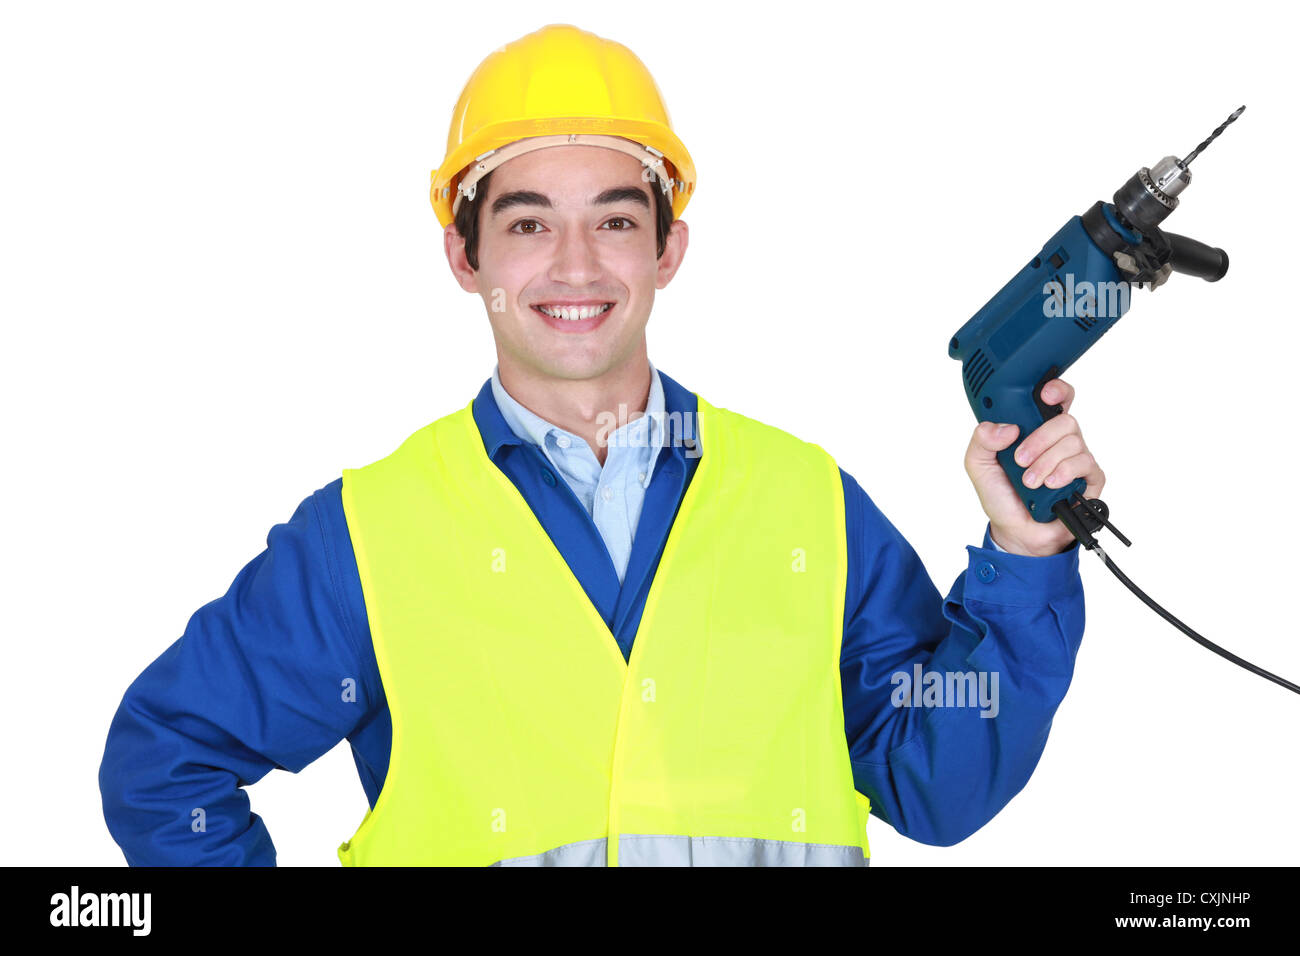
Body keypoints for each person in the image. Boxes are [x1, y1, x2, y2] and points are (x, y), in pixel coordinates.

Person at [99, 23, 1102, 867]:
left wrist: (1025, 554)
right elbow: (166, 763)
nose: (574, 265)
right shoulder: (366, 534)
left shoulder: (807, 503)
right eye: (528, 224)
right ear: (465, 252)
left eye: (614, 221)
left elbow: (935, 786)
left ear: (667, 249)